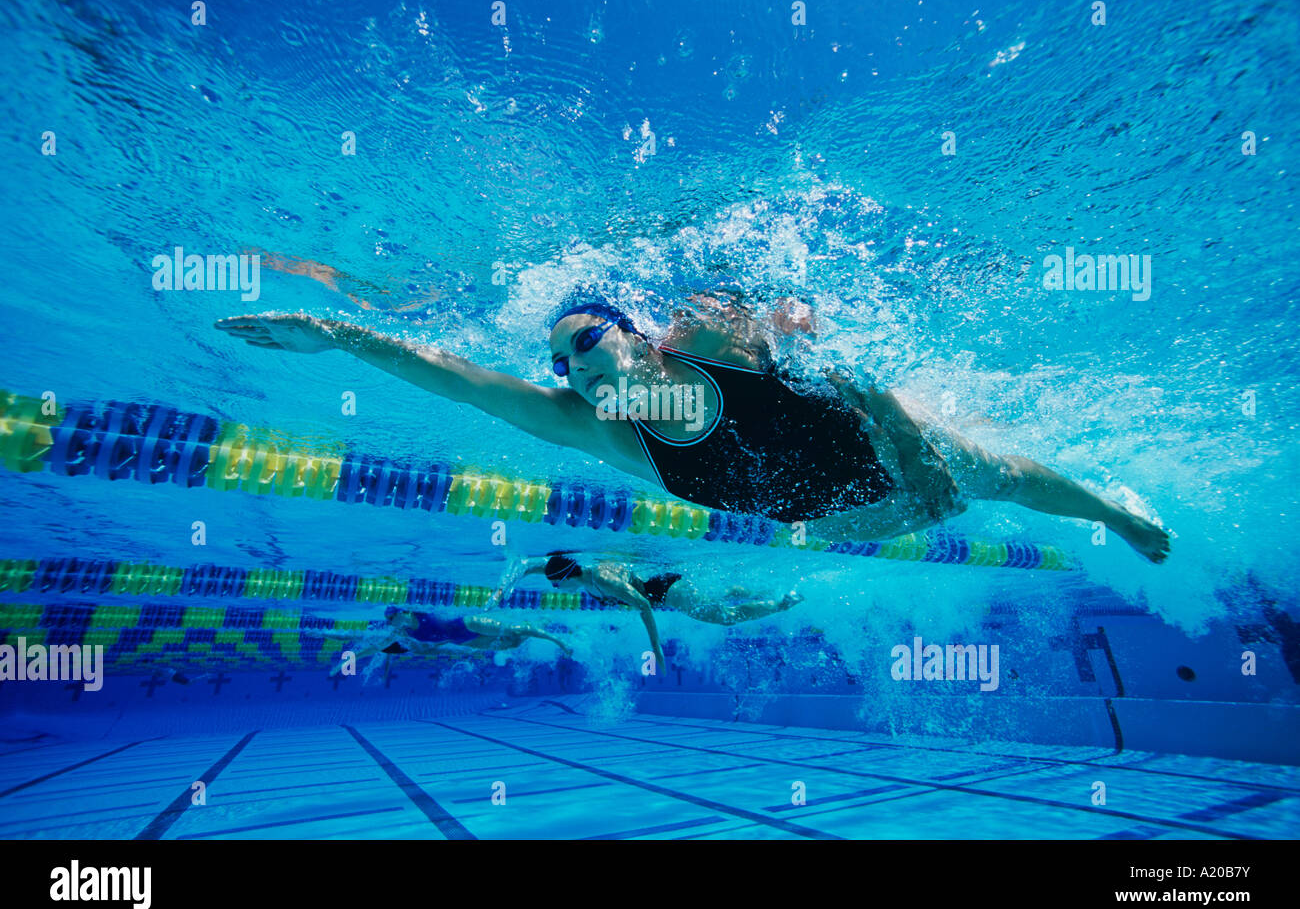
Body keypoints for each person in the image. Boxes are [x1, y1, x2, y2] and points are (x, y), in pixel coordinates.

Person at [215, 282, 1171, 563]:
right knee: (840, 533)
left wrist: (903, 440)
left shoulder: (711, 333)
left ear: (636, 335)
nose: (571, 371)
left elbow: (830, 343)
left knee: (993, 474)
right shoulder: (606, 431)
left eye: (583, 343)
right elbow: (455, 379)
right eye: (557, 364)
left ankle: (1117, 515)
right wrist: (336, 336)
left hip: (883, 446)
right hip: (840, 519)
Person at [483, 551, 804, 671]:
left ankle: (781, 602)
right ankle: (771, 591)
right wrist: (501, 590)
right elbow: (525, 565)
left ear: (565, 578)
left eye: (555, 585)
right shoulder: (568, 571)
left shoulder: (604, 579)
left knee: (726, 617)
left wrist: (655, 648)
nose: (553, 588)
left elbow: (645, 605)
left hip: (669, 592)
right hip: (667, 588)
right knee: (723, 592)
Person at [328, 606, 570, 683]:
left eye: (392, 618)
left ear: (402, 612)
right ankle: (539, 620)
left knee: (513, 630)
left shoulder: (420, 610)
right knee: (512, 644)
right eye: (389, 621)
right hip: (466, 640)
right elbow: (373, 648)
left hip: (469, 624)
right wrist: (344, 663)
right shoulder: (400, 631)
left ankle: (558, 640)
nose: (391, 623)